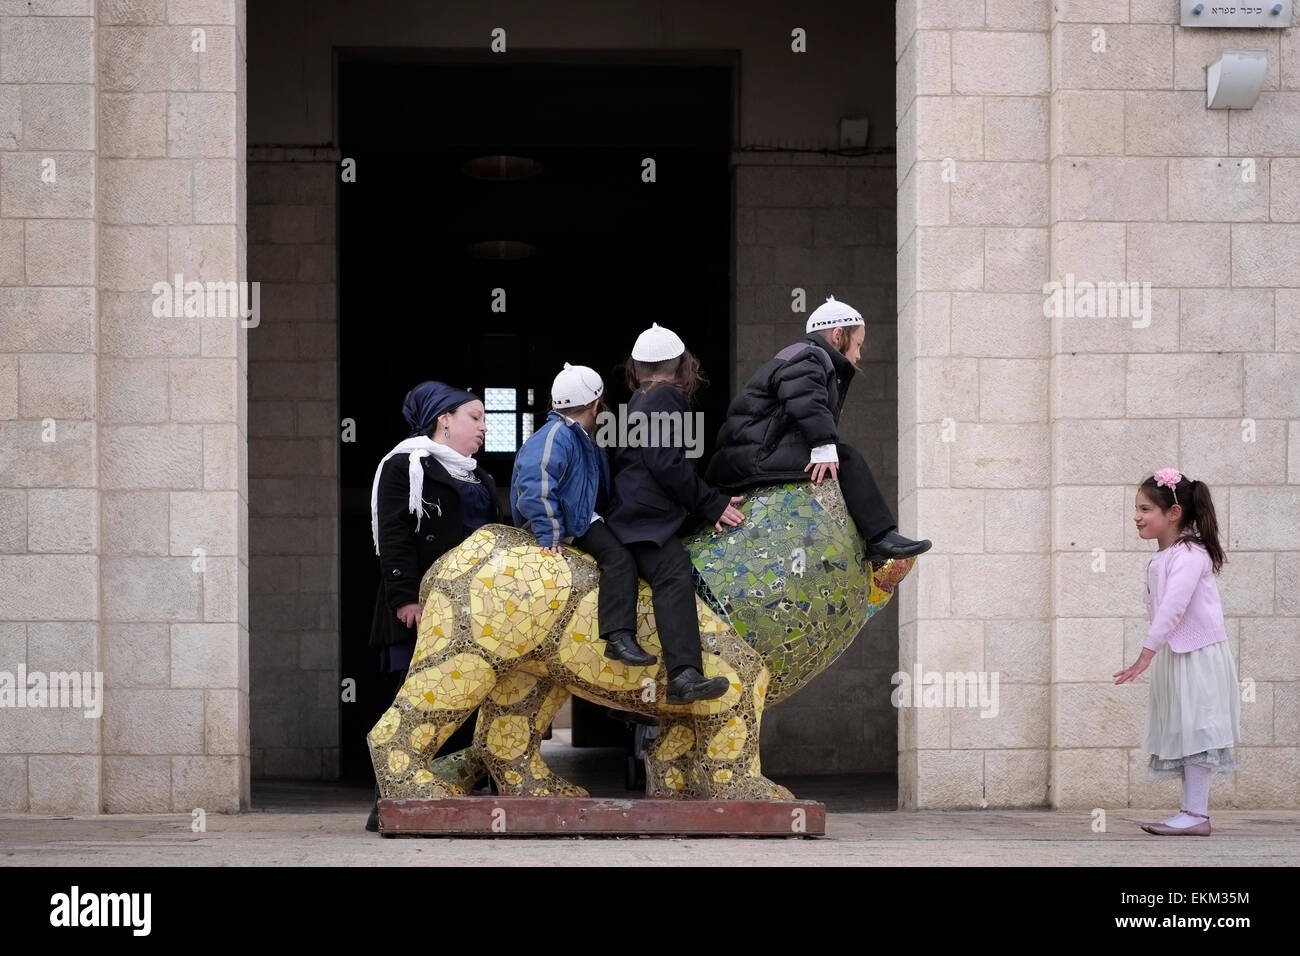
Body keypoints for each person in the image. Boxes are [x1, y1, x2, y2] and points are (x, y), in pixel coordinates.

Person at [365, 381, 501, 830]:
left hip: (475, 612)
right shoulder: (406, 464)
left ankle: (455, 803)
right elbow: (394, 534)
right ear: (444, 419)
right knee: (418, 701)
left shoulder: (480, 476)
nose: (483, 427)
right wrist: (405, 598)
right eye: (475, 417)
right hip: (424, 605)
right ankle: (398, 802)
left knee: (466, 700)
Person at [705, 295, 931, 561]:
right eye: (858, 344)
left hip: (753, 454)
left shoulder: (803, 354)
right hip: (756, 457)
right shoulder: (810, 355)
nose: (858, 355)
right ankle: (880, 538)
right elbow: (804, 396)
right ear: (838, 335)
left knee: (837, 460)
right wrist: (823, 444)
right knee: (846, 459)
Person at [605, 323, 746, 704]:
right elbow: (666, 463)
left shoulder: (640, 398)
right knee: (672, 574)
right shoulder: (666, 396)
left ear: (636, 367)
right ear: (682, 364)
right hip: (644, 519)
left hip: (632, 512)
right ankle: (684, 675)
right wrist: (712, 503)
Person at [1114, 468, 1239, 837]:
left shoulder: (1189, 554)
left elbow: (1174, 607)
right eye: (1136, 508)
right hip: (1178, 654)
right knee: (1185, 730)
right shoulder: (1163, 557)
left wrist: (1145, 655)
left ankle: (1196, 815)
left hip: (1198, 655)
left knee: (1199, 729)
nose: (1137, 516)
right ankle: (1191, 812)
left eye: (1145, 508)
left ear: (1173, 513)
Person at [510, 363, 650, 666]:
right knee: (619, 559)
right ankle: (618, 637)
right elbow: (536, 484)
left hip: (577, 516)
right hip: (571, 521)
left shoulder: (574, 434)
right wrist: (548, 532)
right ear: (596, 405)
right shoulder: (556, 435)